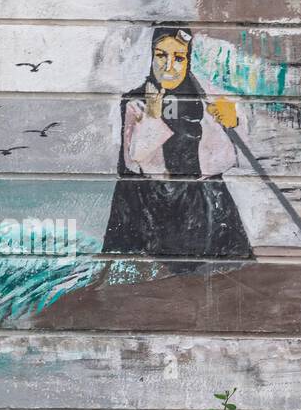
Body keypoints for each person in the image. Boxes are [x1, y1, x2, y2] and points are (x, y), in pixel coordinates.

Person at [103, 26, 253, 259]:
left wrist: (233, 120)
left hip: (202, 203)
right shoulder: (136, 101)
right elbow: (133, 160)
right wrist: (152, 115)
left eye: (178, 58)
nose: (168, 65)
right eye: (161, 55)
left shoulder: (206, 98)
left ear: (187, 60)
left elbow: (234, 156)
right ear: (152, 56)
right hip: (147, 205)